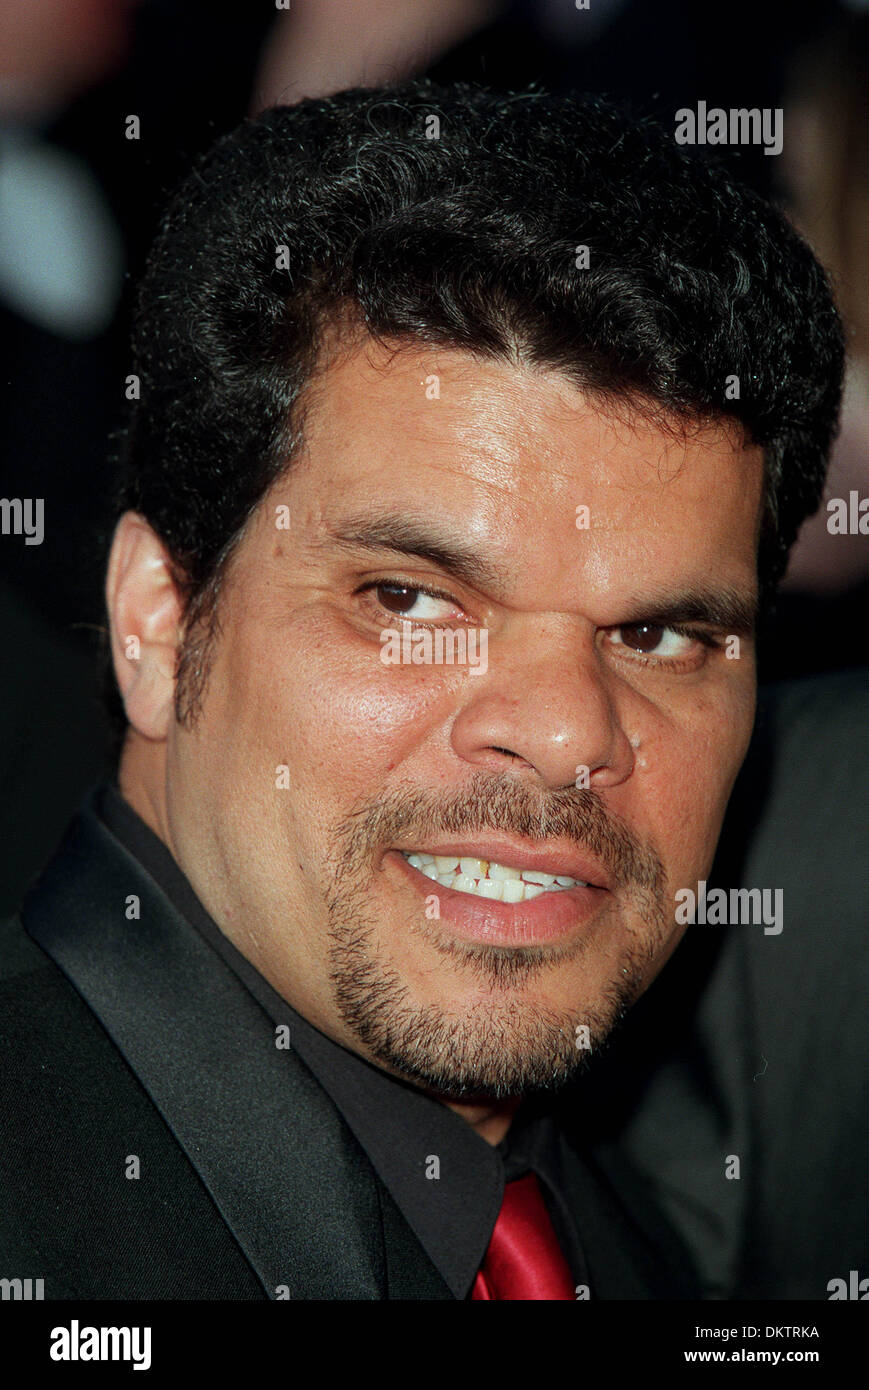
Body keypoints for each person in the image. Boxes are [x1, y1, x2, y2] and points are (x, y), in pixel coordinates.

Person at [0, 80, 854, 1301]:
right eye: (408, 601)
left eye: (658, 633)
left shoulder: (657, 1245)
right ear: (157, 621)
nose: (564, 729)